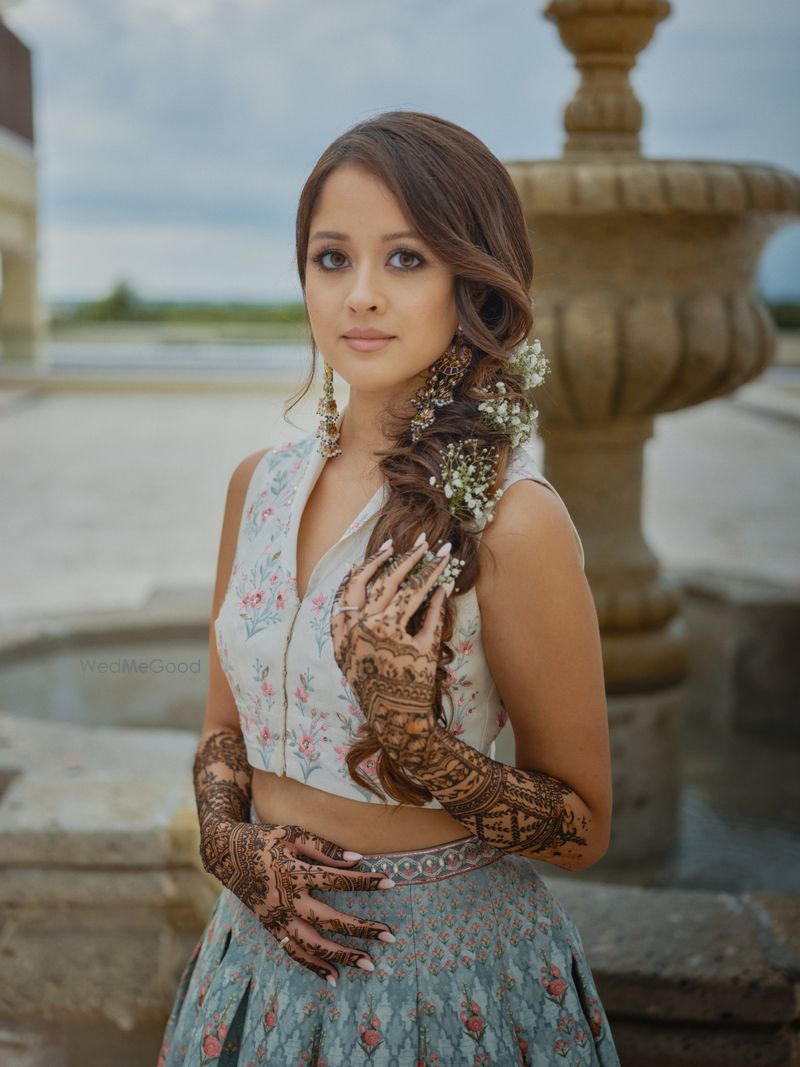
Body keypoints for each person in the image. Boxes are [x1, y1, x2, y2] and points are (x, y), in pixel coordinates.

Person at [157, 110, 621, 1067]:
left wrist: (418, 743)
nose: (360, 294)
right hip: (254, 956)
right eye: (332, 258)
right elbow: (222, 728)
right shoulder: (259, 487)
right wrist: (230, 847)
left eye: (406, 259)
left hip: (441, 982)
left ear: (471, 280)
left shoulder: (512, 520)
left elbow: (582, 826)